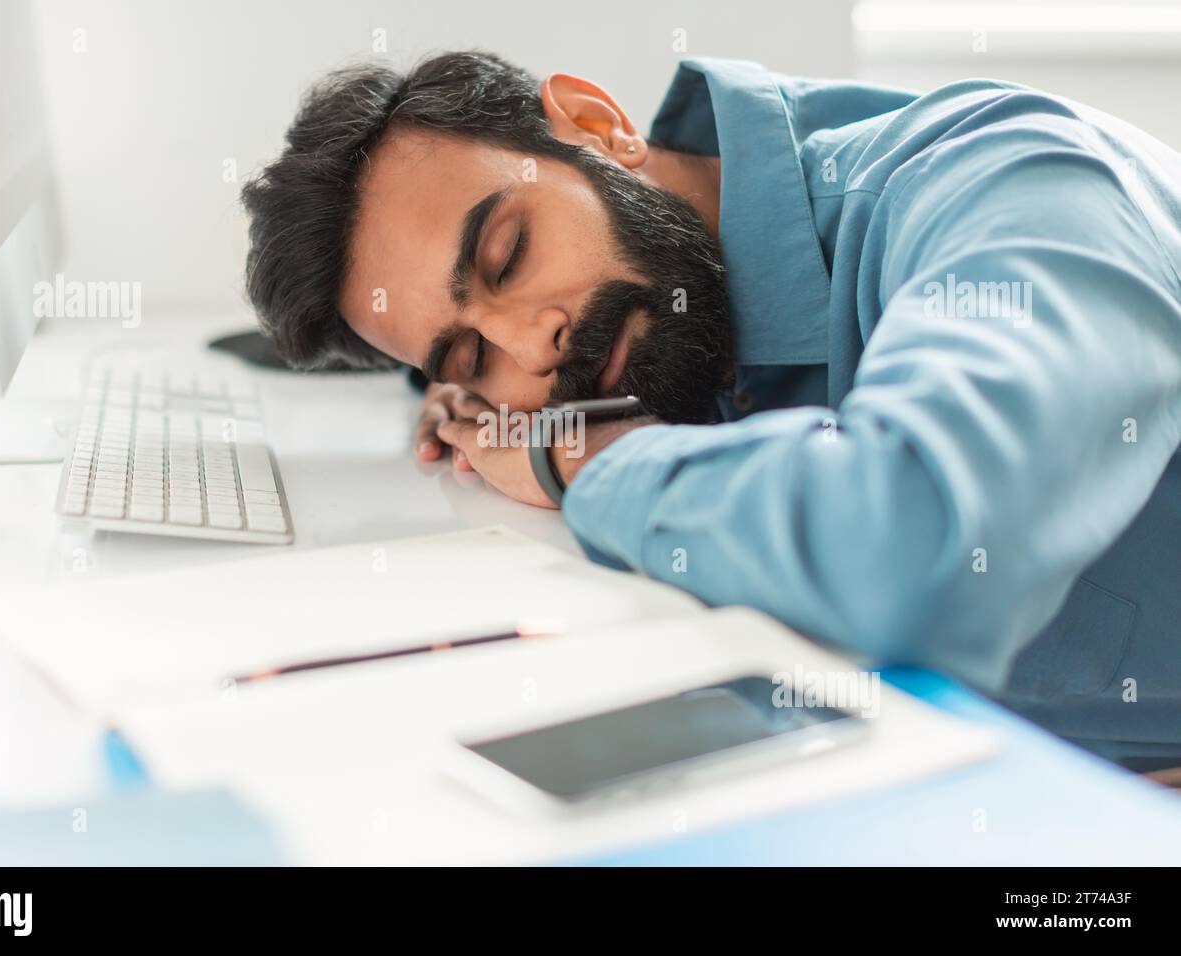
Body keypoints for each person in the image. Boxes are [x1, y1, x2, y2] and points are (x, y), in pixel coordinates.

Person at [241, 51, 1181, 768]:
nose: (533, 349)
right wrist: (450, 381)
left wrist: (577, 456)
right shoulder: (647, 305)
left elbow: (909, 535)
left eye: (507, 256)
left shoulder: (1003, 180)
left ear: (597, 125)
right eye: (469, 350)